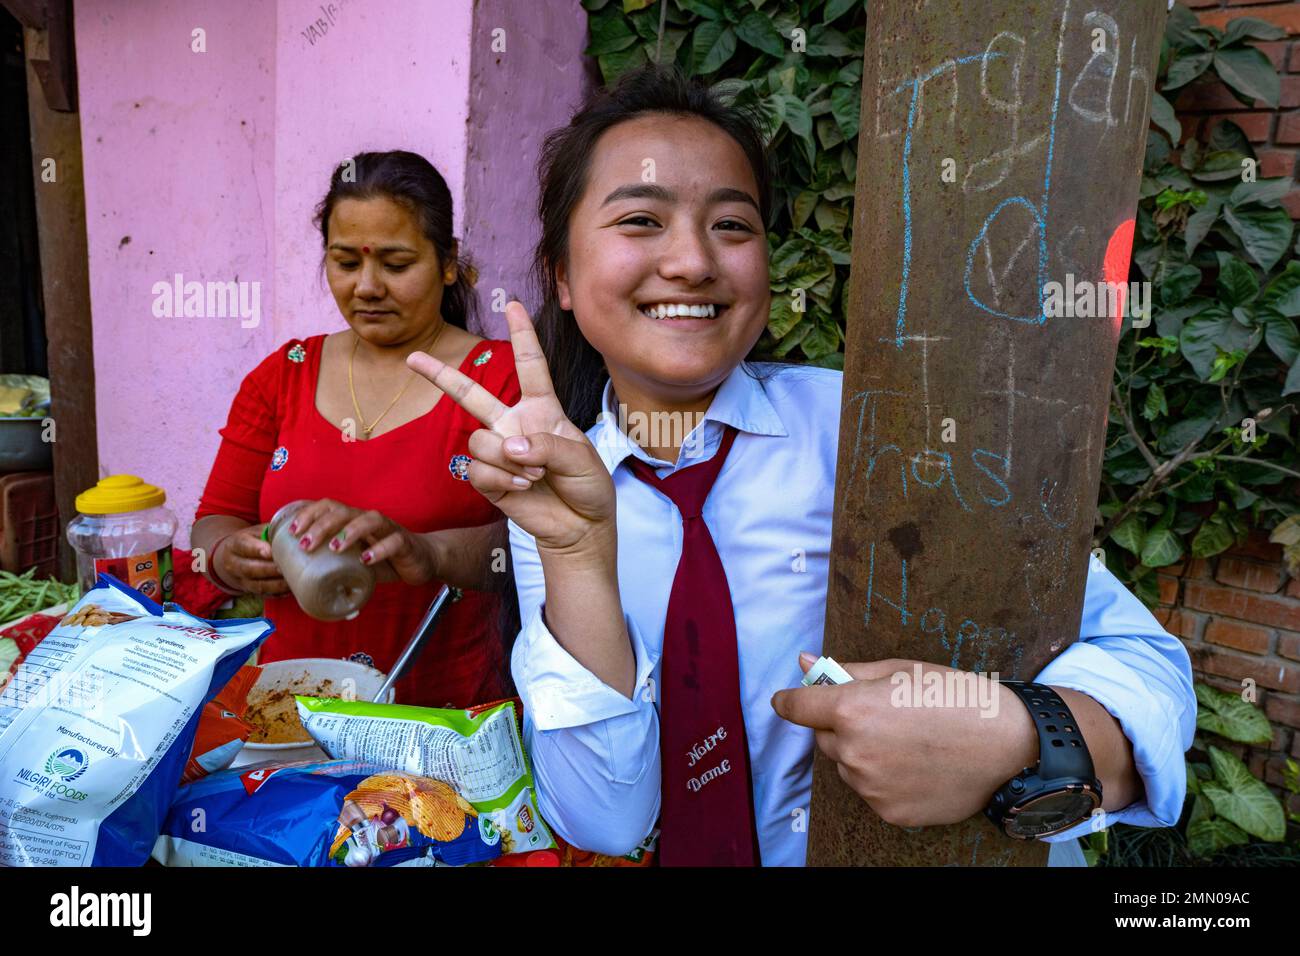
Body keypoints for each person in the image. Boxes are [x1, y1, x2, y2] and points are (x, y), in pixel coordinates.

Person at [408, 66, 1195, 865]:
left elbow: (1144, 664)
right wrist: (577, 557)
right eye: (642, 220)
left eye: (733, 225)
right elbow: (608, 819)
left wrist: (1024, 740)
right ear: (563, 277)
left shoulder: (884, 426)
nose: (691, 261)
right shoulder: (555, 496)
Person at [193, 150, 520, 707]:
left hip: (449, 714)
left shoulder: (500, 380)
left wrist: (427, 553)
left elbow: (535, 548)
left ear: (447, 263)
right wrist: (229, 558)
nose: (367, 287)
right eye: (346, 262)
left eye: (395, 265)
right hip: (295, 710)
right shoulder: (281, 377)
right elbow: (214, 522)